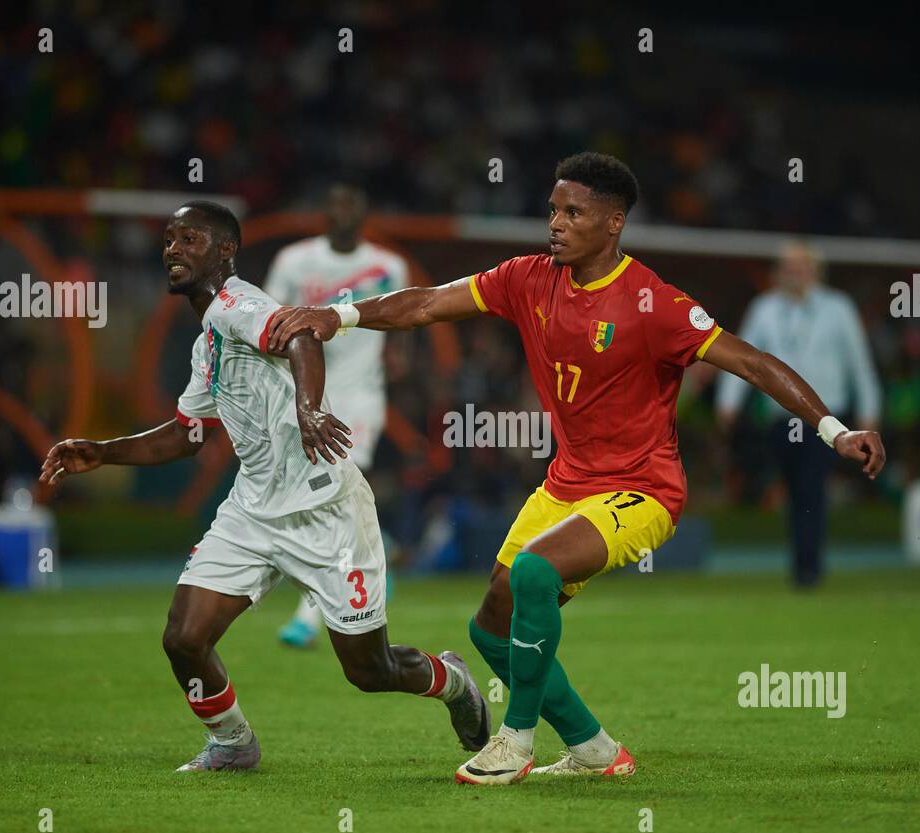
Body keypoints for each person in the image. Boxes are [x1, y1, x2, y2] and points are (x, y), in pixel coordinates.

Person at [270, 153, 886, 785]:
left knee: (536, 573)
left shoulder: (654, 302)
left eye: (573, 213)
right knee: (490, 629)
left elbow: (753, 363)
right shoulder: (528, 278)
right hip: (567, 483)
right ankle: (594, 748)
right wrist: (338, 316)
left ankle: (515, 741)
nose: (555, 224)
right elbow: (426, 303)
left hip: (644, 490)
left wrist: (835, 430)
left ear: (613, 222)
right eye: (553, 210)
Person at [39, 201, 488, 772]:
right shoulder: (209, 342)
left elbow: (302, 336)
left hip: (327, 509)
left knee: (369, 671)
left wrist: (307, 409)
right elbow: (185, 435)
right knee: (184, 637)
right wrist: (102, 452)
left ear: (225, 251)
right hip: (252, 510)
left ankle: (452, 681)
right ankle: (232, 743)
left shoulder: (238, 305)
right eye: (170, 239)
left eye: (190, 239)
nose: (173, 249)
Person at [264, 182, 409, 648]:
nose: (344, 212)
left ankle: (310, 615)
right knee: (325, 500)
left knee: (338, 493)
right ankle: (377, 557)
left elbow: (404, 319)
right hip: (305, 398)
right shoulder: (293, 262)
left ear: (364, 212)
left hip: (361, 397)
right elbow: (264, 324)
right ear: (323, 212)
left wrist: (400, 357)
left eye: (352, 205)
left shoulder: (389, 266)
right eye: (335, 205)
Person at [715, 241, 881, 587]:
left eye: (801, 266)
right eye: (788, 267)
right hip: (779, 419)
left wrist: (868, 411)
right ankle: (802, 561)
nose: (794, 273)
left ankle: (808, 569)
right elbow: (744, 356)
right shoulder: (764, 308)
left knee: (810, 487)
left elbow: (859, 363)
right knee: (792, 489)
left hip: (825, 418)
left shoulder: (838, 308)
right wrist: (728, 401)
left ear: (816, 271)